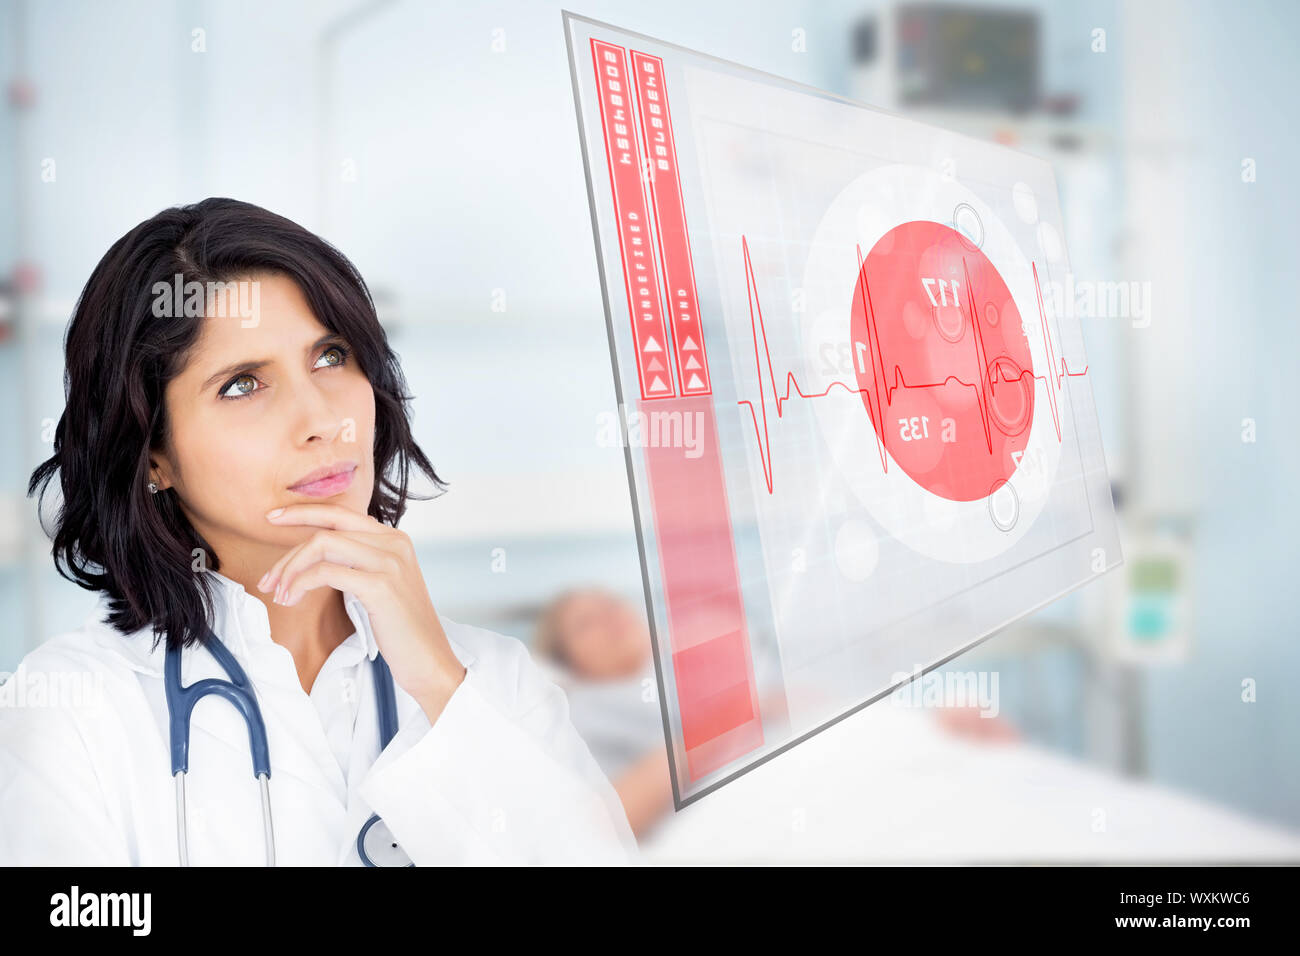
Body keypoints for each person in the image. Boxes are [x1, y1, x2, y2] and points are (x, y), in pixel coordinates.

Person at [0, 198, 640, 866]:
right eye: (243, 385)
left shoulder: (493, 683)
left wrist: (441, 687)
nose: (321, 420)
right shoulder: (70, 712)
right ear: (153, 454)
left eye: (331, 356)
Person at [533, 587, 675, 838]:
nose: (608, 618)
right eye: (586, 623)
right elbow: (606, 823)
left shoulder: (678, 665)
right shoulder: (579, 718)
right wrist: (714, 732)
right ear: (569, 660)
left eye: (611, 604)